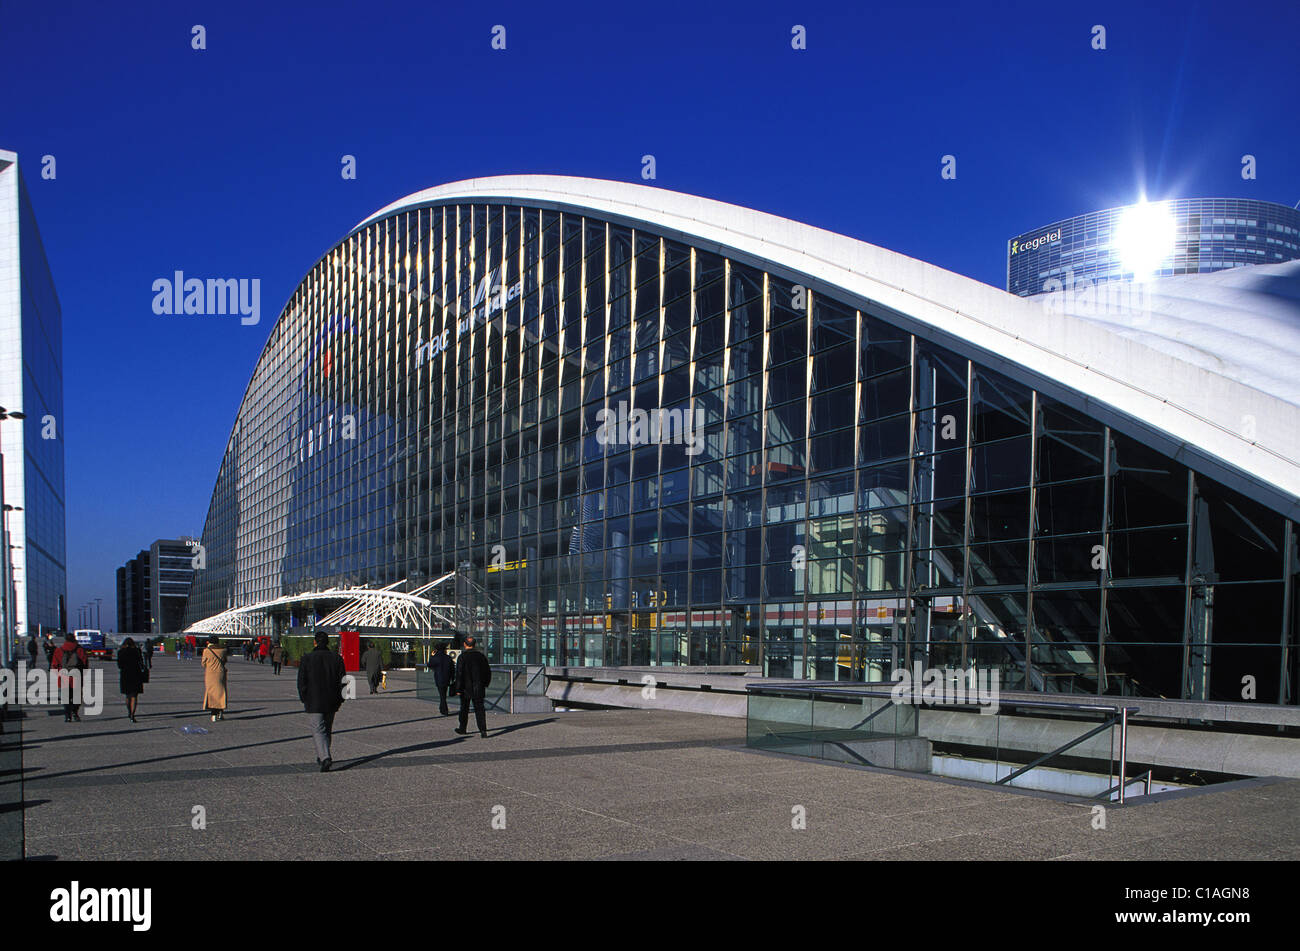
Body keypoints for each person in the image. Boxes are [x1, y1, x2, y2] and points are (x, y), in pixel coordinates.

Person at [297, 632, 346, 771]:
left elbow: (301, 681)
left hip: (314, 700)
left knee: (318, 729)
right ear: (328, 643)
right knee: (327, 729)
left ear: (315, 642)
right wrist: (342, 698)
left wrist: (303, 697)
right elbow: (344, 680)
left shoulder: (307, 658)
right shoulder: (337, 658)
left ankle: (325, 757)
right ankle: (323, 754)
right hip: (332, 700)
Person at [454, 636, 492, 738]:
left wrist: (457, 688)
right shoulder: (481, 656)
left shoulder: (462, 657)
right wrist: (485, 683)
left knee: (464, 708)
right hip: (479, 687)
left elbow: (459, 673)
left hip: (465, 687)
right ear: (474, 645)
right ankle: (483, 730)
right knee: (480, 709)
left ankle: (462, 728)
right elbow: (487, 672)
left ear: (465, 644)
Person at [51, 632, 88, 722]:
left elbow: (54, 665)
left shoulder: (59, 650)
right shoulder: (80, 650)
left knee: (66, 698)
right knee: (77, 697)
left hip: (64, 677)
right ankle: (75, 712)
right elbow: (85, 663)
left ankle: (68, 716)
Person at [116, 637, 146, 723]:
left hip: (125, 675)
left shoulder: (121, 652)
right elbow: (141, 662)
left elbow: (119, 665)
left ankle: (129, 712)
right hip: (136, 674)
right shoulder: (137, 651)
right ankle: (133, 714)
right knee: (134, 696)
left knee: (127, 695)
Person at [201, 635, 229, 722]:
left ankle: (213, 714)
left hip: (210, 674)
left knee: (212, 693)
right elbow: (225, 661)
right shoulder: (223, 650)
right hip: (220, 673)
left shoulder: (206, 651)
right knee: (221, 693)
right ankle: (220, 713)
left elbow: (203, 663)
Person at [428, 642, 455, 716]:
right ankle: (442, 708)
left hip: (439, 678)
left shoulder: (435, 657)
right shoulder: (448, 658)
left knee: (442, 695)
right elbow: (452, 669)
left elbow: (429, 664)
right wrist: (452, 678)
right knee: (443, 694)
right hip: (447, 678)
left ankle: (444, 709)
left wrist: (431, 656)